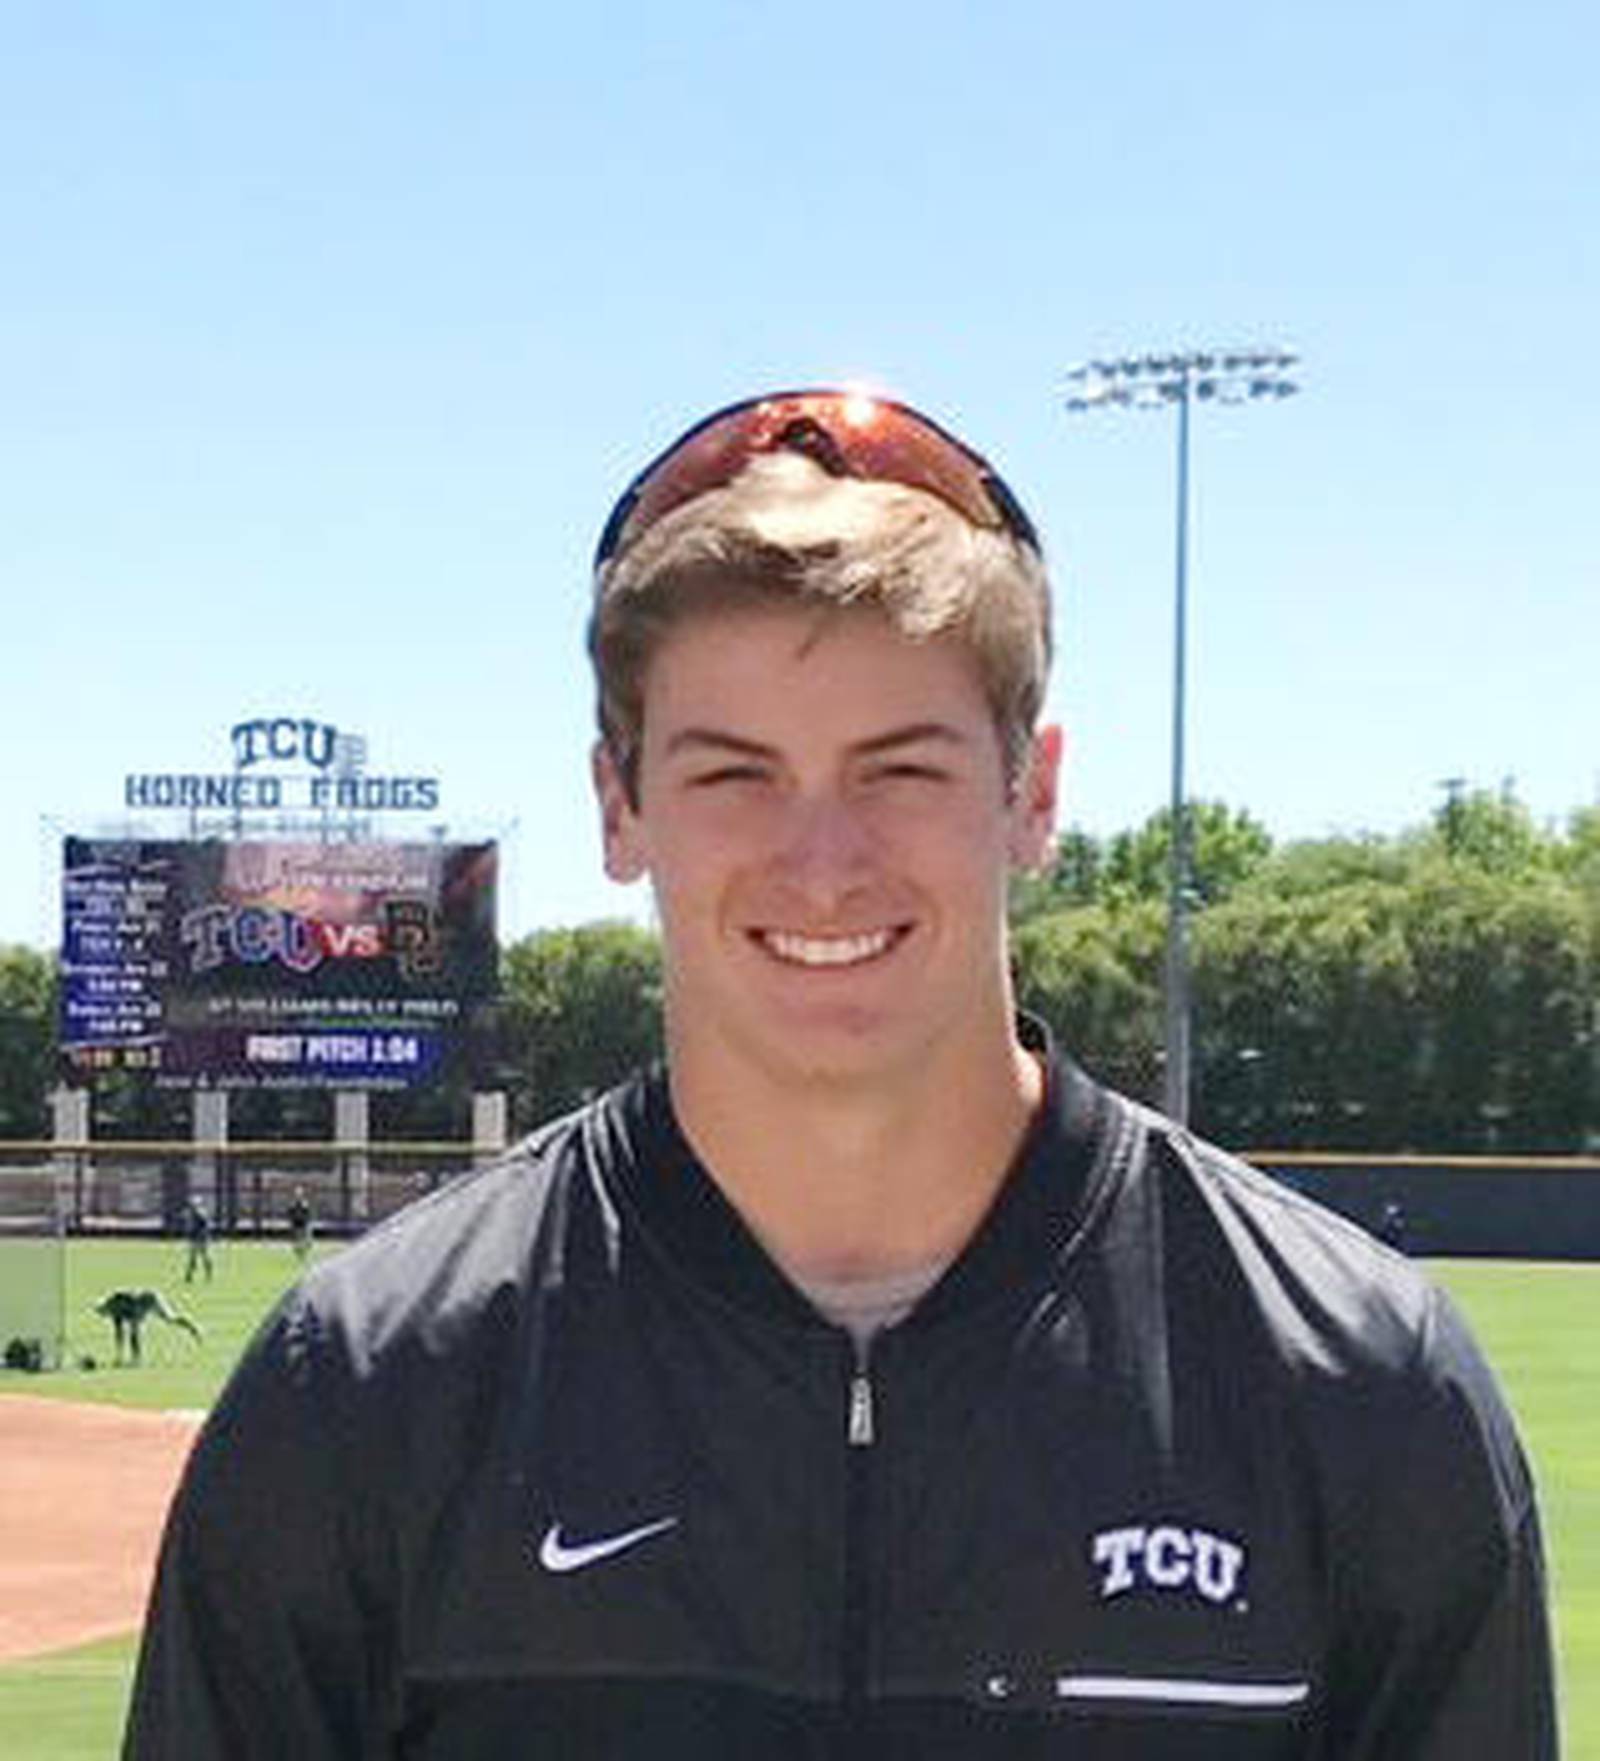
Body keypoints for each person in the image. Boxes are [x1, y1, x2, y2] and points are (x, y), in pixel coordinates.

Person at [125, 389, 1557, 1757]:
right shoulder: (372, 1387)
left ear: (1033, 793)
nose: (823, 863)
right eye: (734, 771)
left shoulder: (1357, 1385)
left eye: (900, 768)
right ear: (618, 806)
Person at [180, 1194, 212, 1284]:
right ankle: (189, 1276)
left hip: (201, 1238)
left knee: (204, 1256)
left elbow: (205, 1225)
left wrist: (200, 1235)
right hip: (194, 1237)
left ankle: (208, 1275)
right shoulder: (190, 1213)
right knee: (193, 1258)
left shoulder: (200, 1213)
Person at [285, 1185, 314, 1262]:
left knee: (308, 1241)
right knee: (296, 1244)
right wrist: (291, 1219)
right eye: (297, 1193)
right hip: (296, 1223)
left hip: (304, 1223)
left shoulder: (305, 1202)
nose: (298, 1195)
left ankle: (305, 1251)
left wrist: (307, 1221)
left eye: (300, 1193)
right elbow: (289, 1213)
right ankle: (301, 1254)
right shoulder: (293, 1203)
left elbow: (308, 1213)